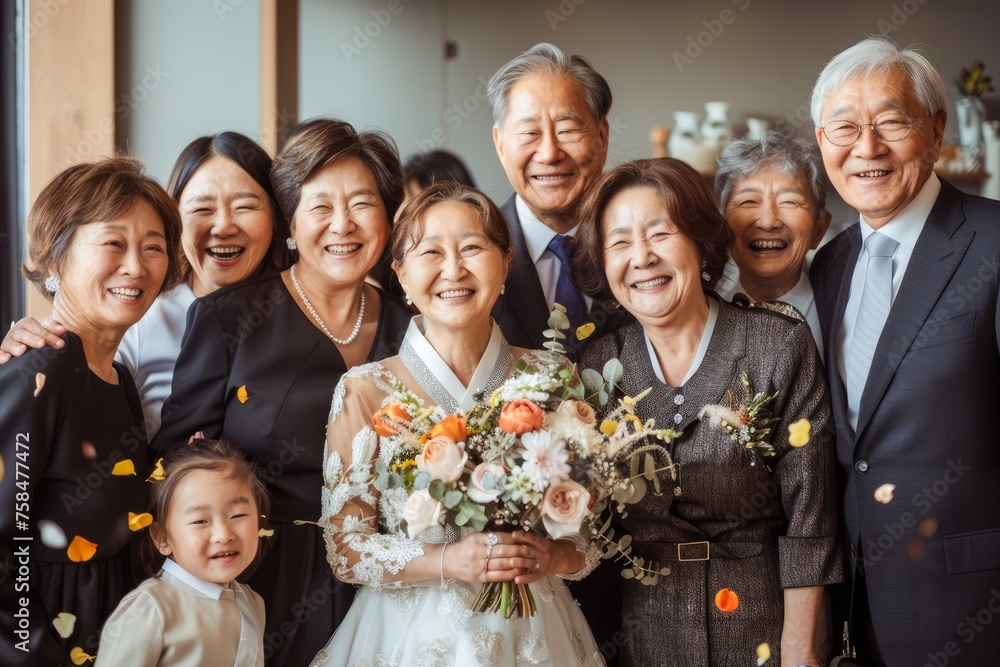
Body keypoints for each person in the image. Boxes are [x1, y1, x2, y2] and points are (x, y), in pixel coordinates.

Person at [152, 118, 412, 667]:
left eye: (363, 204)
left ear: (388, 219)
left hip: (392, 582)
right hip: (259, 580)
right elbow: (176, 467)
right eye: (320, 207)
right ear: (290, 222)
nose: (342, 224)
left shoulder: (413, 328)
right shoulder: (228, 317)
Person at [311, 180, 604, 666]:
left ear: (506, 261)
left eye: (472, 247)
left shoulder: (554, 378)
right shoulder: (364, 391)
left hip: (535, 628)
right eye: (430, 252)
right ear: (401, 274)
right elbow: (345, 549)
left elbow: (590, 533)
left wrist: (551, 557)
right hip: (408, 637)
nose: (454, 269)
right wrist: (448, 562)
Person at [572, 158, 842, 666]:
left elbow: (813, 515)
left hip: (765, 623)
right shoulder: (597, 367)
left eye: (660, 233)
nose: (642, 258)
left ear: (698, 241)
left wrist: (798, 648)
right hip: (645, 630)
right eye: (620, 242)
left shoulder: (777, 345)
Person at [809, 37, 1000, 666]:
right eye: (845, 128)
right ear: (821, 140)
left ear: (936, 130)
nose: (867, 149)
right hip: (858, 608)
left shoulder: (992, 241)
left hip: (975, 604)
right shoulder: (831, 264)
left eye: (891, 122)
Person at [0, 156, 183, 665]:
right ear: (55, 259)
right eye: (113, 243)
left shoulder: (118, 378)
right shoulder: (39, 373)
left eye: (153, 247)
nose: (136, 266)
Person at [0, 132, 289, 436]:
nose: (224, 227)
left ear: (276, 215)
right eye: (202, 209)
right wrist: (24, 351)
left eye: (244, 206)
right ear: (176, 222)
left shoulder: (303, 312)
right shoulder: (136, 315)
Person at [487, 43, 626, 358]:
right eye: (529, 133)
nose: (549, 154)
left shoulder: (641, 246)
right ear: (500, 144)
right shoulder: (475, 257)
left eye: (567, 130)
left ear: (602, 137)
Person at [95, 439, 269, 667]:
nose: (223, 534)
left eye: (237, 516)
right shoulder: (149, 609)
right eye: (200, 520)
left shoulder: (252, 601)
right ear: (162, 537)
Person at [714, 129, 832, 356]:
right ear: (722, 228)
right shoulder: (703, 308)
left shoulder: (841, 310)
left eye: (789, 201)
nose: (768, 222)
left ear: (819, 229)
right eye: (748, 201)